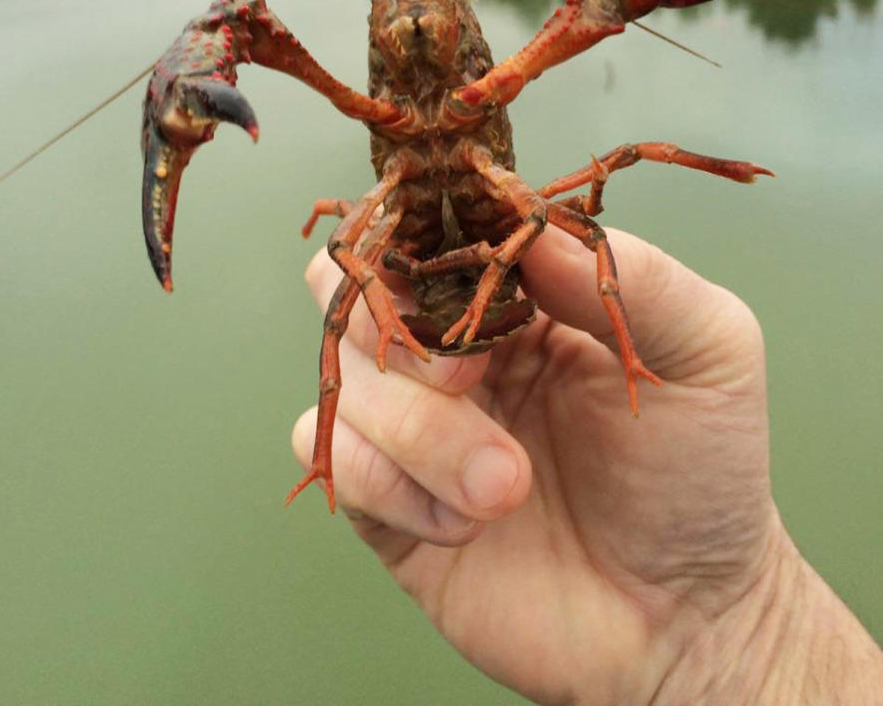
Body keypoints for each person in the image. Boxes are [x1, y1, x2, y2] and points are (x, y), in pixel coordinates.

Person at [291, 226, 883, 705]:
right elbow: (345, 247)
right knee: (344, 269)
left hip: (495, 308)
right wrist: (718, 652)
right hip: (434, 323)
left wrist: (730, 628)